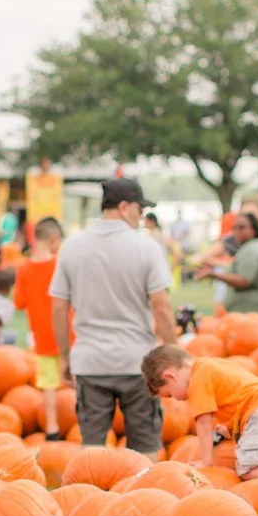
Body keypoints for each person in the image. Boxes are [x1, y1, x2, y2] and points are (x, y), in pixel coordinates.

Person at [51, 178, 176, 456]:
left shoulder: (72, 247)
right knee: (145, 447)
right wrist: (173, 353)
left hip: (90, 361)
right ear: (122, 207)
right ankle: (144, 497)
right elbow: (161, 306)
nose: (141, 216)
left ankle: (96, 497)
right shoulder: (146, 248)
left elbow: (59, 307)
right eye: (139, 209)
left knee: (93, 449)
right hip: (137, 362)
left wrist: (64, 356)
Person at [143, 344, 258, 483]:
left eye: (169, 394)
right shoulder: (214, 365)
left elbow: (204, 422)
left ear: (170, 377)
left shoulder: (197, 379)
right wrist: (230, 431)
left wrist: (206, 461)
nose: (176, 400)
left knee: (249, 469)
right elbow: (240, 399)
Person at [12, 216, 67, 437]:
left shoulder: (24, 269)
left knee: (49, 383)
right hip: (68, 333)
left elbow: (19, 303)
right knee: (78, 379)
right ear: (54, 240)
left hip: (42, 336)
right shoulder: (59, 265)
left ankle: (52, 429)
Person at [208, 212, 258, 320]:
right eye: (234, 228)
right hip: (253, 314)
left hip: (254, 316)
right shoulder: (253, 247)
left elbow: (244, 280)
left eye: (242, 228)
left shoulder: (251, 251)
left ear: (254, 230)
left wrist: (215, 275)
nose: (236, 231)